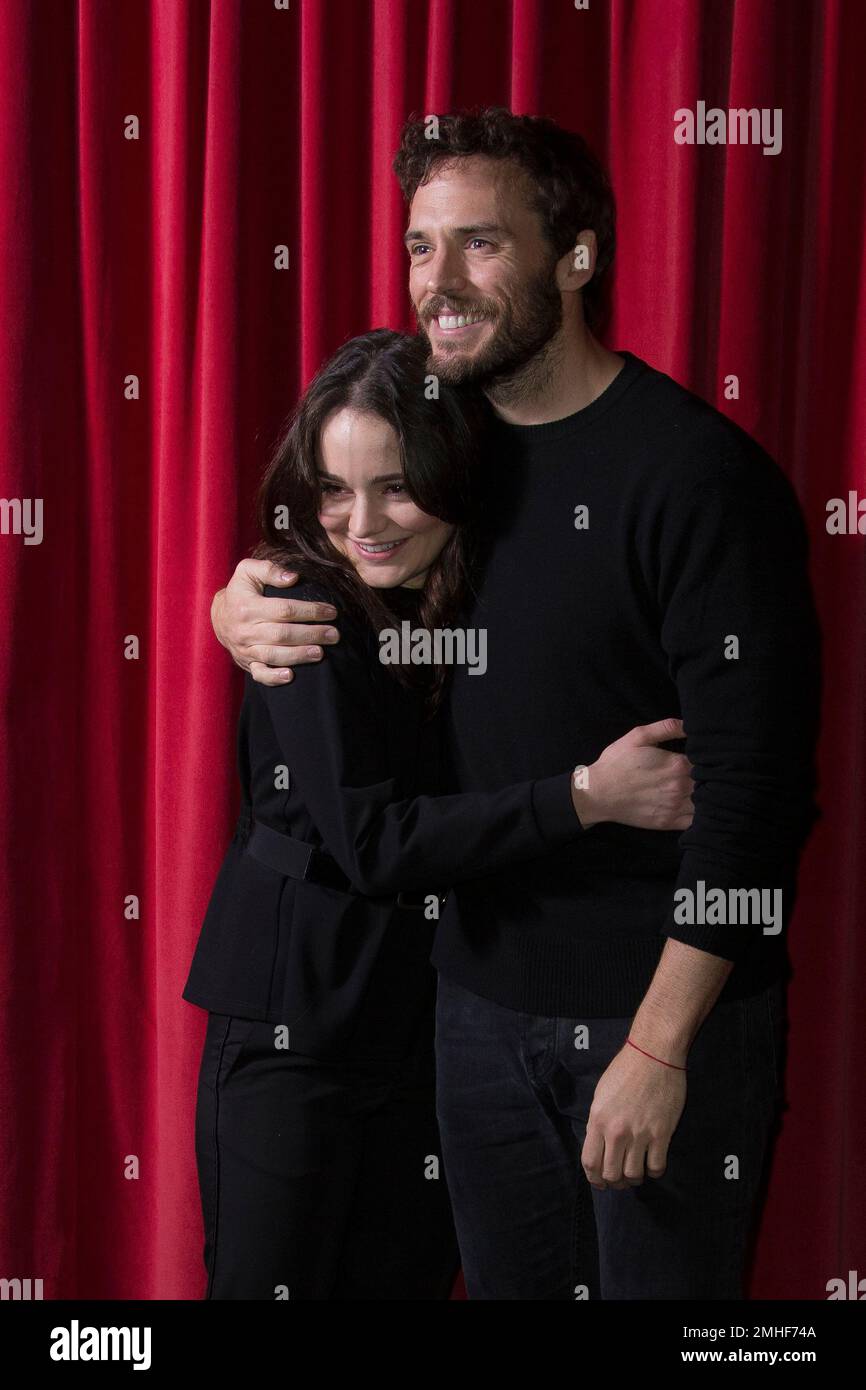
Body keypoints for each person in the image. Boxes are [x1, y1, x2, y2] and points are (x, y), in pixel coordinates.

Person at [210, 109, 822, 1300]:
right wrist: (237, 602)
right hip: (471, 1020)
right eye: (419, 246)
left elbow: (755, 802)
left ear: (576, 256)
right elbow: (335, 539)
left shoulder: (696, 477)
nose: (437, 282)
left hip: (651, 1024)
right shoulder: (441, 450)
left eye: (479, 244)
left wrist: (656, 1046)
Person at [184, 326, 695, 1300]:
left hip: (434, 1023)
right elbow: (372, 841)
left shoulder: (475, 597)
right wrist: (585, 797)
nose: (361, 521)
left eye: (393, 485)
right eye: (334, 488)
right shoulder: (298, 603)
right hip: (296, 1023)